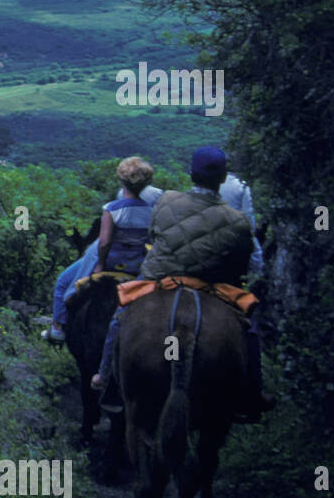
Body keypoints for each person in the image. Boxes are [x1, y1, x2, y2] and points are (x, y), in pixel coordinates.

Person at [92, 146, 273, 421]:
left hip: (159, 279)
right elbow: (250, 264)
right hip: (211, 286)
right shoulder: (238, 221)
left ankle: (106, 377)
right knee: (249, 330)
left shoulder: (166, 202)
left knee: (121, 315)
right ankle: (252, 394)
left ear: (191, 175)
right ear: (223, 178)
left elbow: (154, 235)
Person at [42, 158, 160, 343]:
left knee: (63, 282)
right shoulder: (152, 210)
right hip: (137, 262)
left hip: (111, 260)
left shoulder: (111, 209)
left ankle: (58, 327)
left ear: (121, 180)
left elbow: (104, 242)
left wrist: (100, 264)